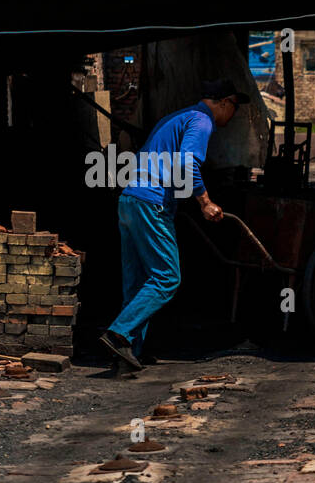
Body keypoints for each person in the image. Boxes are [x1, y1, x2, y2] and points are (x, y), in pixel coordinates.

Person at [100, 78, 248, 371]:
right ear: (223, 103)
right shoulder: (201, 121)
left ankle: (129, 353)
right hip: (150, 202)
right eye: (235, 107)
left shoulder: (175, 118)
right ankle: (118, 335)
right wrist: (205, 202)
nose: (234, 115)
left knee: (138, 283)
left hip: (129, 199)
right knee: (167, 277)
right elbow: (187, 162)